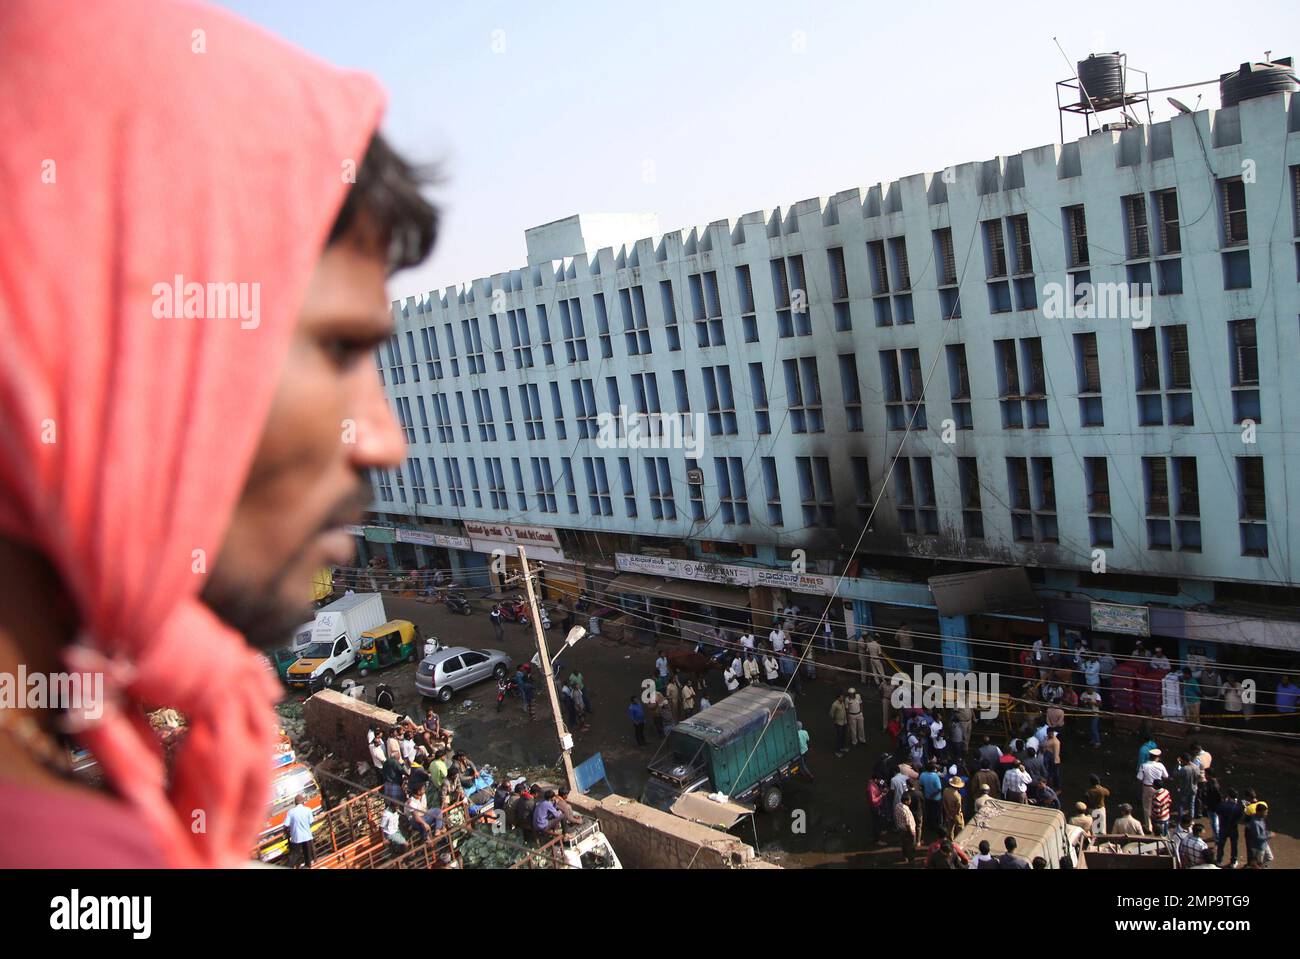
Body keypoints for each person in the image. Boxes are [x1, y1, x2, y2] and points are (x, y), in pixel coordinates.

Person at [1137, 748, 1168, 831]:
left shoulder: (1143, 765)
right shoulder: (1160, 765)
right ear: (1157, 757)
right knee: (1159, 805)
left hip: (1147, 787)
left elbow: (1139, 778)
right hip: (1158, 788)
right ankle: (1158, 825)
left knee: (1147, 807)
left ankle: (1148, 826)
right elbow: (1166, 776)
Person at [1215, 788, 1244, 868]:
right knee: (1234, 846)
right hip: (1233, 829)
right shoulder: (1239, 807)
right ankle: (1233, 862)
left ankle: (1219, 860)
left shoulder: (1222, 805)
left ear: (1228, 796)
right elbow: (1241, 818)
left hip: (1223, 828)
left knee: (1221, 845)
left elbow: (1217, 812)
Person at [284, 794, 316, 868]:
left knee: (295, 855)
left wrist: (287, 832)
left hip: (296, 837)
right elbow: (311, 821)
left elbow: (286, 825)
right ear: (303, 802)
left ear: (295, 803)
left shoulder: (290, 812)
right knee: (307, 855)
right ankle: (307, 866)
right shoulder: (308, 809)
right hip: (307, 836)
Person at [1245, 802, 1273, 868]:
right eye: (1265, 812)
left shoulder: (1260, 818)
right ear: (1259, 812)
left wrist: (1267, 833)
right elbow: (1258, 837)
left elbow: (1262, 830)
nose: (1266, 814)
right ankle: (1254, 865)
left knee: (1270, 857)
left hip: (1264, 844)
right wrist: (1269, 835)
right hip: (1258, 846)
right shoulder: (1255, 823)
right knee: (1259, 863)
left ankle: (1254, 863)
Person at [895, 785, 918, 865]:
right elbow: (908, 824)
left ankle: (905, 856)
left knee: (904, 844)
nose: (910, 801)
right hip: (908, 830)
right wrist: (911, 833)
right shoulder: (906, 811)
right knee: (911, 846)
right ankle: (911, 859)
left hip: (900, 829)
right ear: (907, 801)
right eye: (910, 800)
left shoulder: (897, 806)